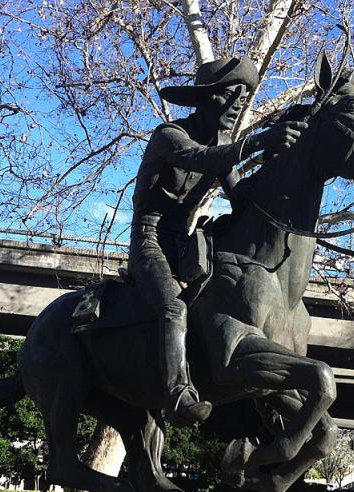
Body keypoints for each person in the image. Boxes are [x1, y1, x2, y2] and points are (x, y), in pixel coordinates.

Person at [130, 55, 306, 425]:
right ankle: (178, 394)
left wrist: (279, 158)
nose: (237, 104)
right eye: (229, 94)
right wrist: (257, 141)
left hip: (186, 243)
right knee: (174, 308)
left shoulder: (225, 143)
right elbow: (202, 159)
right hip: (150, 240)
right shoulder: (169, 135)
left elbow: (241, 197)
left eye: (243, 98)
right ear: (203, 99)